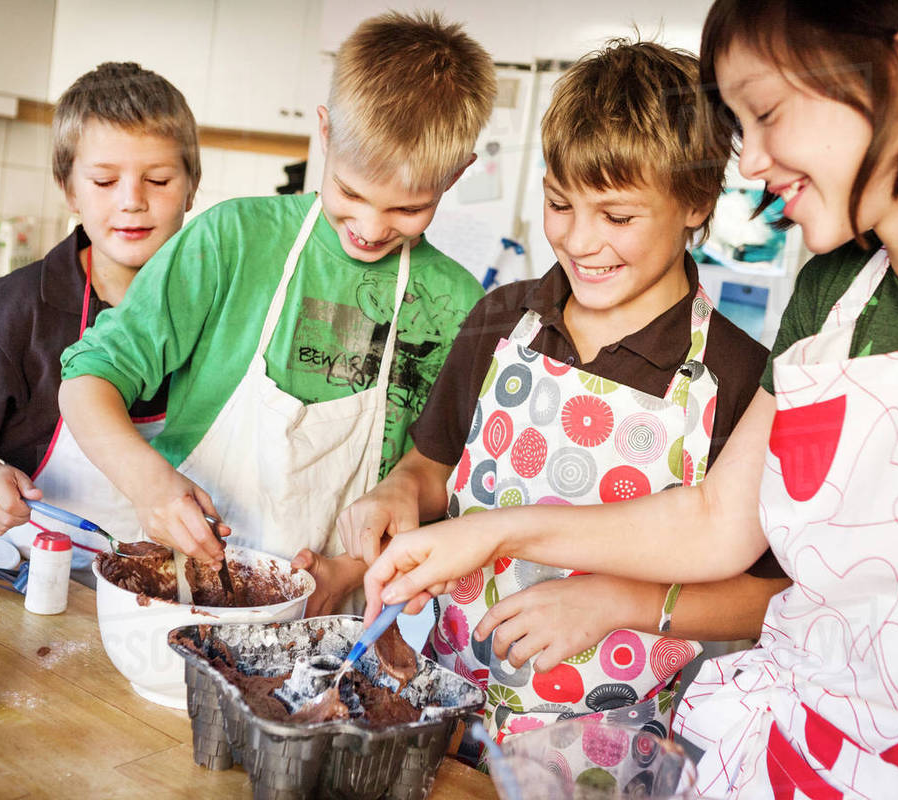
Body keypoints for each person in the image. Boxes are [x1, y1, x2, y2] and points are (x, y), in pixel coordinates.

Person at [362, 0, 898, 796]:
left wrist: (613, 598)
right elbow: (717, 519)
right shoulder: (834, 288)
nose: (749, 161)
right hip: (767, 757)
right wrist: (490, 533)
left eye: (768, 113)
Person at [336, 39, 787, 759]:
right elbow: (430, 466)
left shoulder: (738, 375)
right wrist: (396, 493)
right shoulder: (502, 317)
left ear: (696, 200)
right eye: (558, 203)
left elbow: (769, 598)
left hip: (609, 750)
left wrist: (616, 601)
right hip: (450, 710)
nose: (580, 241)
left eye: (617, 216)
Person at [57, 12, 495, 614]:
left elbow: (437, 464)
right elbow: (89, 379)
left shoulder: (458, 304)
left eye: (408, 208)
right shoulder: (234, 240)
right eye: (351, 192)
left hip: (334, 616)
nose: (369, 229)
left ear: (458, 173)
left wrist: (351, 567)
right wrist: (147, 484)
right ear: (324, 132)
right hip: (181, 593)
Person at [0, 62, 199, 560]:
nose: (132, 202)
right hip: (44, 582)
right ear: (69, 190)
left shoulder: (216, 307)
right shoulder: (17, 309)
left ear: (191, 185)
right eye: (105, 181)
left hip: (179, 587)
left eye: (157, 179)